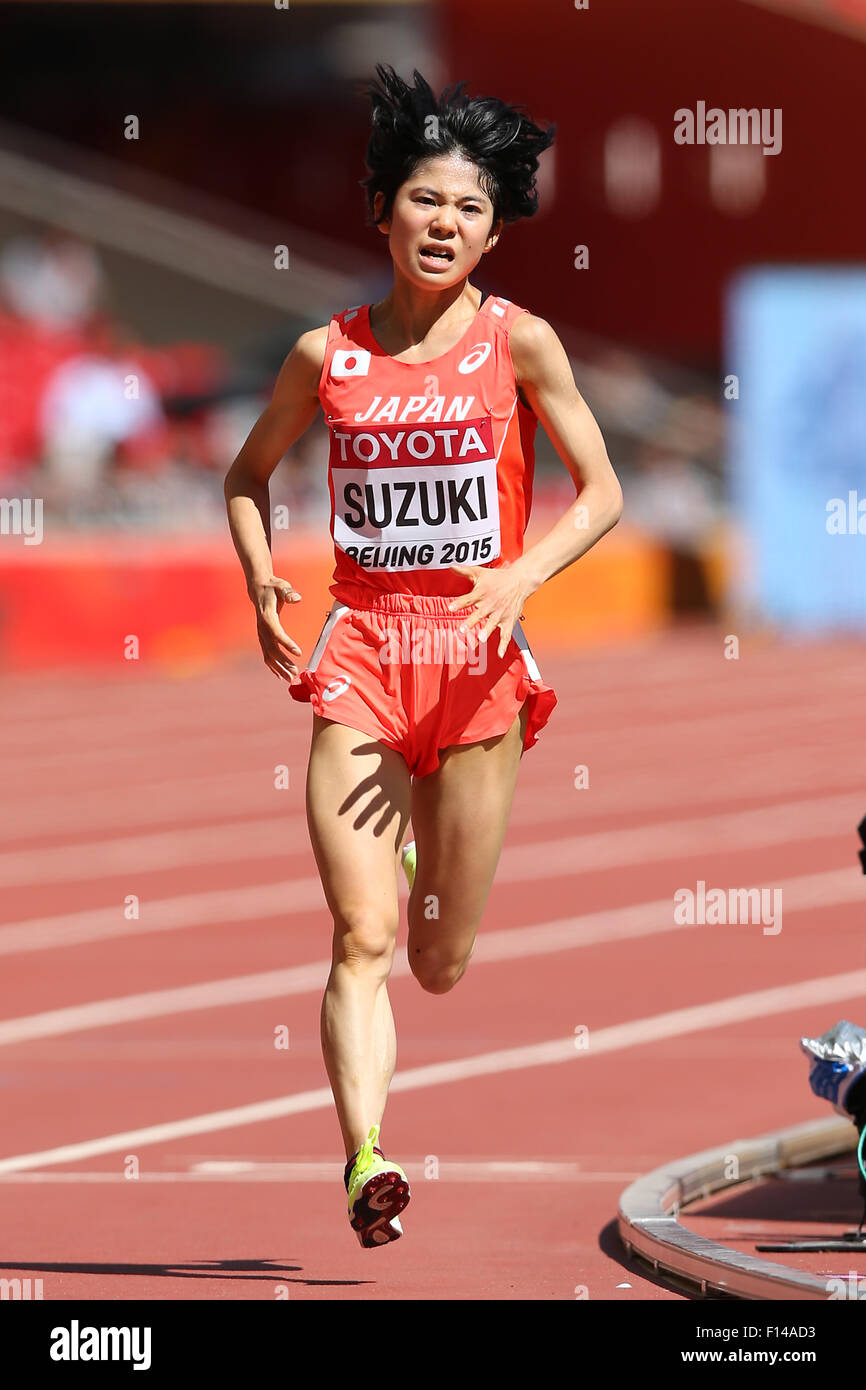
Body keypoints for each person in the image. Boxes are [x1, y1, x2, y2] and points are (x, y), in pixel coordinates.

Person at [224, 65, 623, 1248]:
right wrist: (259, 580)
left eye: (467, 210)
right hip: (359, 659)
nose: (443, 225)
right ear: (381, 212)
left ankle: (412, 858)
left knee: (438, 959)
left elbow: (603, 492)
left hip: (478, 667)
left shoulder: (524, 345)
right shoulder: (322, 356)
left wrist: (519, 574)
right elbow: (246, 477)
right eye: (422, 202)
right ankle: (365, 1159)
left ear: (493, 230)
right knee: (361, 939)